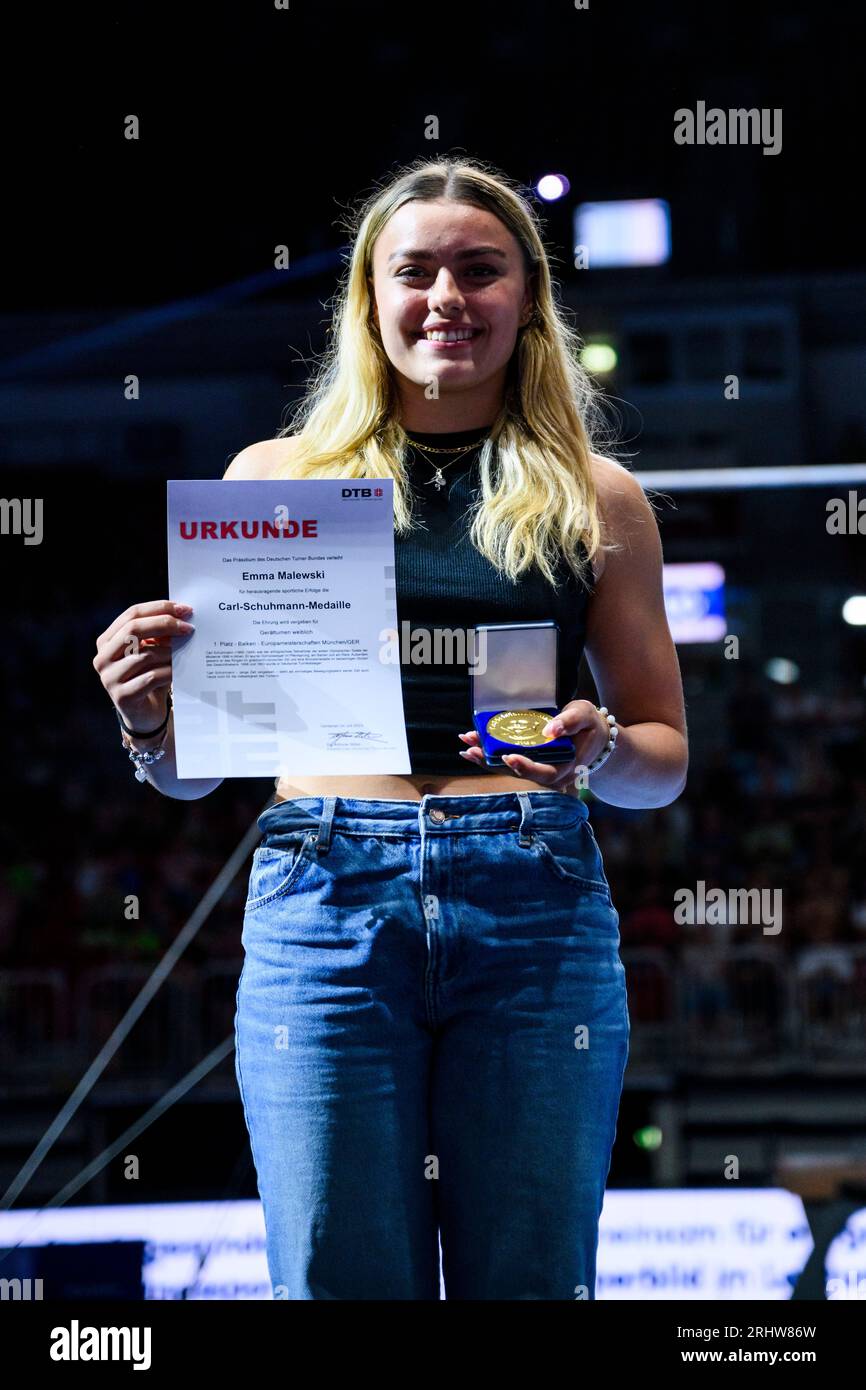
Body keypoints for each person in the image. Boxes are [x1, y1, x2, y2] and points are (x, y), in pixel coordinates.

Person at [93, 155, 688, 1300]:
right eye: (413, 271)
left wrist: (597, 743)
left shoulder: (594, 494)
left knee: (527, 1280)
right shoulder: (274, 476)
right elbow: (184, 777)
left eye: (480, 269)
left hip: (532, 899)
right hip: (324, 894)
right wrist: (148, 720)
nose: (446, 298)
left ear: (528, 298)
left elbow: (659, 763)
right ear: (369, 297)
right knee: (336, 1281)